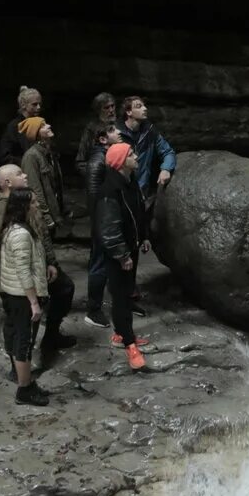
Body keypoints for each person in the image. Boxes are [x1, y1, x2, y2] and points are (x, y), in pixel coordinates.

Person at [0, 164, 74, 404]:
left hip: (17, 293)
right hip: (20, 296)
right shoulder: (20, 234)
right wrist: (34, 303)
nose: (38, 207)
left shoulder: (24, 229)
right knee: (24, 342)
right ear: (24, 207)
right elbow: (23, 272)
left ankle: (26, 380)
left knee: (22, 340)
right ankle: (24, 389)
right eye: (34, 204)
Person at [91, 142, 150, 371]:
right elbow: (108, 228)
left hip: (130, 247)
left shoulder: (130, 182)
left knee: (126, 292)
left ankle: (120, 333)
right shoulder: (110, 191)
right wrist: (121, 254)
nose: (136, 156)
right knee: (122, 296)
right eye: (131, 154)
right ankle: (128, 343)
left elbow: (138, 212)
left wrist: (143, 236)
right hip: (119, 252)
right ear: (120, 161)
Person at [82, 117, 124, 326]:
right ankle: (93, 310)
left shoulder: (107, 158)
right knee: (99, 263)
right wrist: (102, 225)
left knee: (107, 264)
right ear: (102, 139)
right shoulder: (98, 162)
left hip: (107, 219)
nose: (119, 132)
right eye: (113, 130)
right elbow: (94, 196)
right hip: (102, 221)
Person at [19, 117, 71, 241]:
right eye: (42, 126)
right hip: (42, 216)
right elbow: (34, 189)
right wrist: (46, 216)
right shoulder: (31, 157)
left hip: (53, 212)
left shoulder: (49, 153)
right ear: (36, 134)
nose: (48, 126)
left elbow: (56, 186)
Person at [119, 95, 176, 200]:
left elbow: (168, 152)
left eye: (144, 106)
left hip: (143, 190)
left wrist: (166, 169)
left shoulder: (150, 132)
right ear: (129, 112)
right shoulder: (117, 135)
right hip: (122, 192)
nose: (145, 109)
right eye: (139, 106)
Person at [0, 85, 45, 170]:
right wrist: (27, 164)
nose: (38, 107)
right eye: (34, 104)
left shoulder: (40, 123)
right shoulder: (14, 126)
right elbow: (5, 156)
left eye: (40, 104)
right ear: (23, 105)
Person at [76, 92, 116, 191]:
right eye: (106, 108)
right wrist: (94, 176)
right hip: (99, 182)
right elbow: (80, 161)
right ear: (99, 110)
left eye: (112, 106)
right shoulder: (91, 129)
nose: (111, 110)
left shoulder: (121, 126)